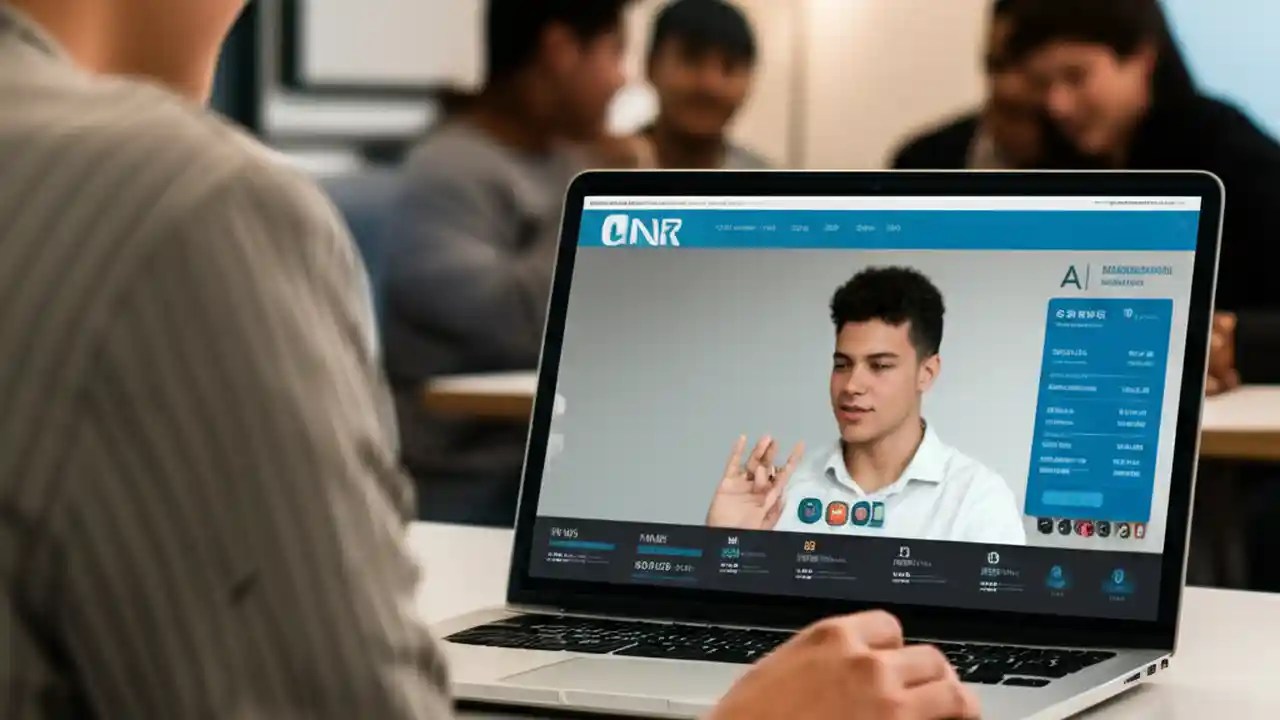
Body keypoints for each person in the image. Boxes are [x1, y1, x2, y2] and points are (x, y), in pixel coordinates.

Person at [0, 2, 982, 718]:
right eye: (613, 49)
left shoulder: (970, 499)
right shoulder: (188, 206)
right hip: (467, 481)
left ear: (925, 372)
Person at [382, 0, 627, 524]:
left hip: (563, 470)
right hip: (471, 489)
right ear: (561, 51)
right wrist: (598, 198)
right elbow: (521, 323)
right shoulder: (445, 172)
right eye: (614, 52)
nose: (621, 80)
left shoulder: (567, 159)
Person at [1003, 0, 1280, 391]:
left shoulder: (1232, 153)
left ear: (1143, 59)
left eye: (1076, 76)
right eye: (1042, 85)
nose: (1057, 105)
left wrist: (1231, 340)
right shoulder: (1052, 168)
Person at [706, 267, 1027, 545]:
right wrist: (725, 545)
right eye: (842, 365)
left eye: (880, 366)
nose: (851, 386)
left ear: (926, 373)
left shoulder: (977, 501)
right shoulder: (780, 495)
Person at [892, 0, 1044, 170]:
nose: (1006, 87)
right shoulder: (922, 160)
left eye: (1024, 67)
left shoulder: (1077, 154)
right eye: (996, 66)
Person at [626, 0, 770, 169]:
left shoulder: (768, 187)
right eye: (692, 59)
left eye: (729, 66)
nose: (710, 84)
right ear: (651, 66)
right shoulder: (598, 173)